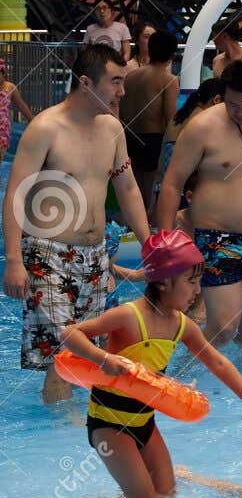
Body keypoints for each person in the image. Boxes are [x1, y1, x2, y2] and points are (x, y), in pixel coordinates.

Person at [59, 231, 242, 498]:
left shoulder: (181, 325)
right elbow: (69, 334)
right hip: (109, 424)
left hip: (144, 422)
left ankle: (122, 495)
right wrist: (102, 358)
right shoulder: (129, 316)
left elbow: (217, 362)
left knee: (166, 493)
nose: (198, 290)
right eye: (191, 281)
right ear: (163, 282)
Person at [3, 45, 152, 402]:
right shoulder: (46, 128)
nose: (122, 91)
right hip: (47, 255)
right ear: (86, 82)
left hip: (96, 258)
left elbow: (128, 188)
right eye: (115, 82)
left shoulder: (112, 129)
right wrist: (13, 260)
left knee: (83, 360)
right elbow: (15, 194)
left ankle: (68, 427)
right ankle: (61, 433)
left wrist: (150, 246)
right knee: (63, 355)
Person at [155, 59, 242, 349]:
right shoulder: (202, 126)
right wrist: (165, 243)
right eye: (233, 105)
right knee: (223, 327)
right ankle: (188, 369)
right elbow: (171, 184)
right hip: (218, 237)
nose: (240, 112)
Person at [120, 29, 179, 210]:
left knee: (132, 189)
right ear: (172, 56)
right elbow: (170, 119)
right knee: (149, 194)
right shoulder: (168, 80)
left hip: (128, 137)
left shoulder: (130, 76)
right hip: (152, 140)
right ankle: (146, 224)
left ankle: (132, 224)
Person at [150, 79, 222, 212]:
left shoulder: (181, 115)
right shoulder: (204, 120)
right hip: (184, 192)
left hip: (163, 189)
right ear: (217, 100)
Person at [0, 57, 35, 164]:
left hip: (2, 130)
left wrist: (33, 120)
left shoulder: (10, 87)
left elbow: (21, 105)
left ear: (3, 74)